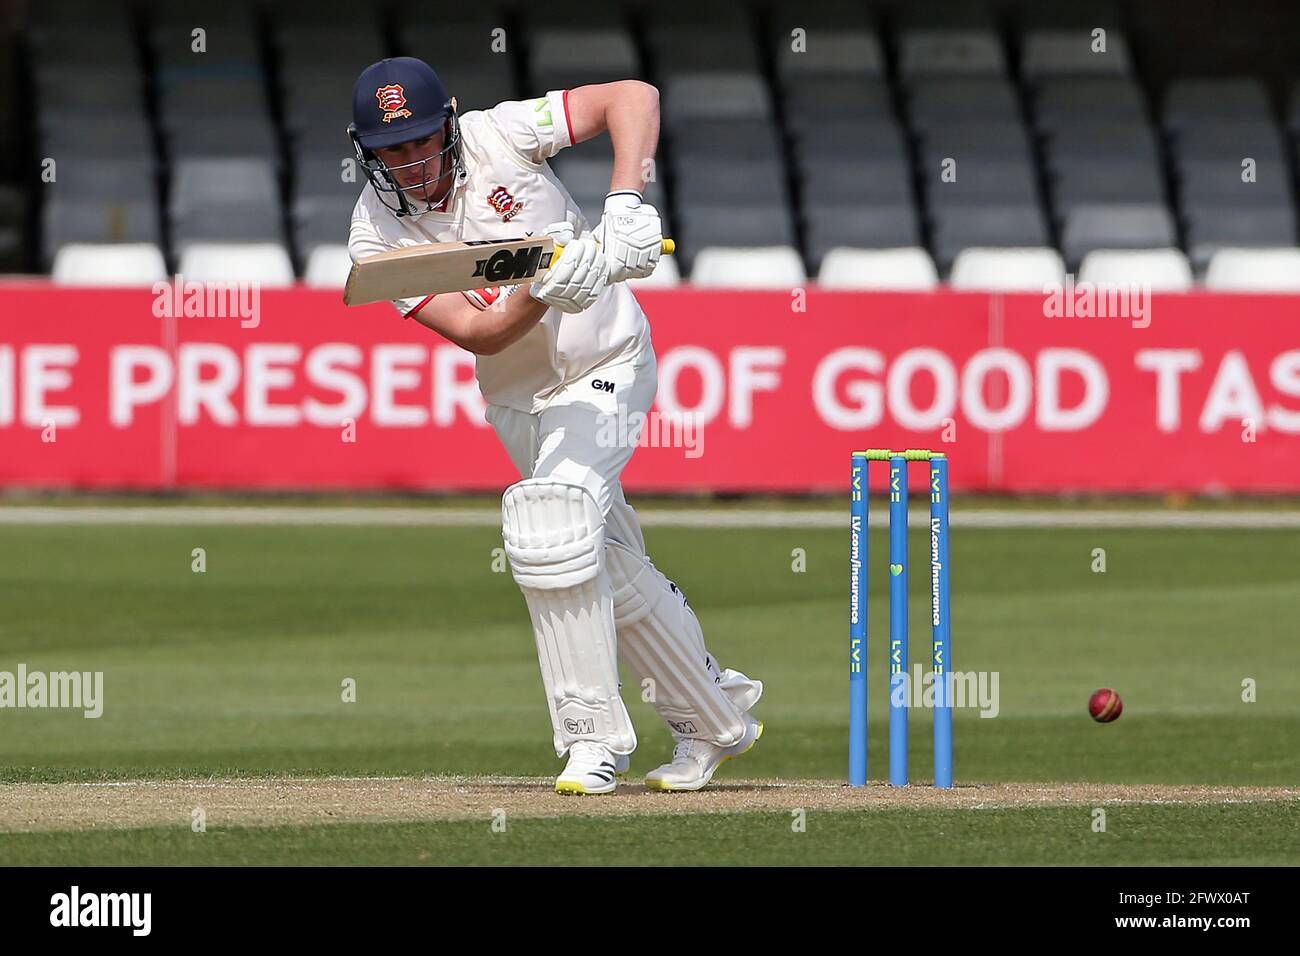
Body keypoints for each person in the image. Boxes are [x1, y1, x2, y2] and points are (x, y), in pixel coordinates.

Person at [347, 57, 763, 793]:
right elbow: (482, 337)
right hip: (516, 398)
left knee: (551, 527)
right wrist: (545, 287)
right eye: (392, 149)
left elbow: (631, 96)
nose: (410, 162)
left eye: (420, 141)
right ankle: (714, 716)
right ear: (368, 153)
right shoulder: (376, 240)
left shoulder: (500, 133)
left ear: (447, 125)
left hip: (605, 359)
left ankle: (591, 742)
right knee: (598, 562)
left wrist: (627, 201)